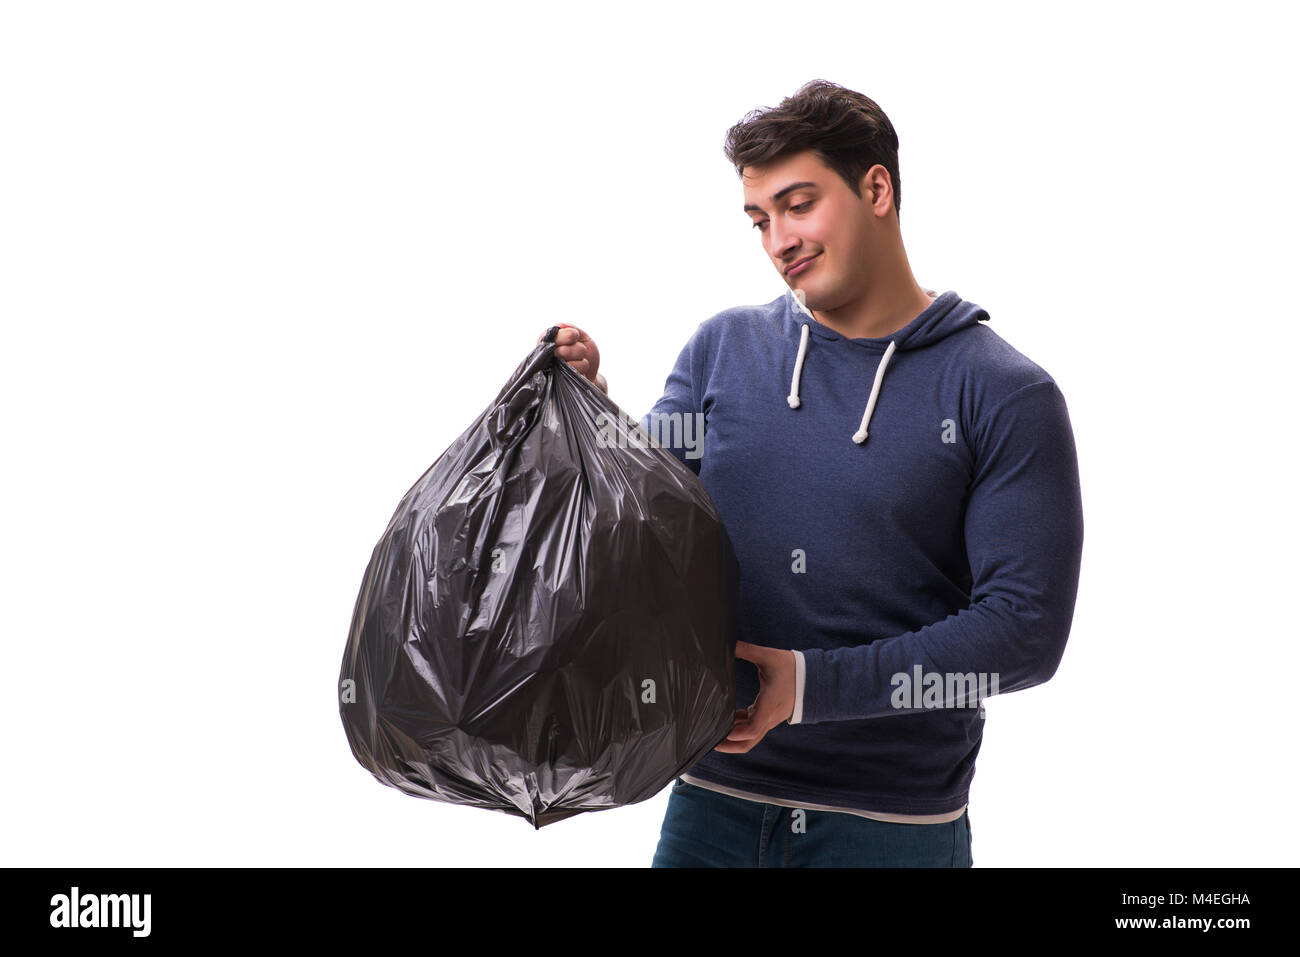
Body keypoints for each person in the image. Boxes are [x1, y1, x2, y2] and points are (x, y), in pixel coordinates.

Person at [541, 79, 1084, 867]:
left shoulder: (1004, 393)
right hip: (709, 802)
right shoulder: (724, 349)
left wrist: (809, 685)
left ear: (876, 188)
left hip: (891, 825)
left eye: (799, 204)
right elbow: (642, 520)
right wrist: (587, 412)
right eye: (760, 219)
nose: (777, 240)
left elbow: (1025, 632)